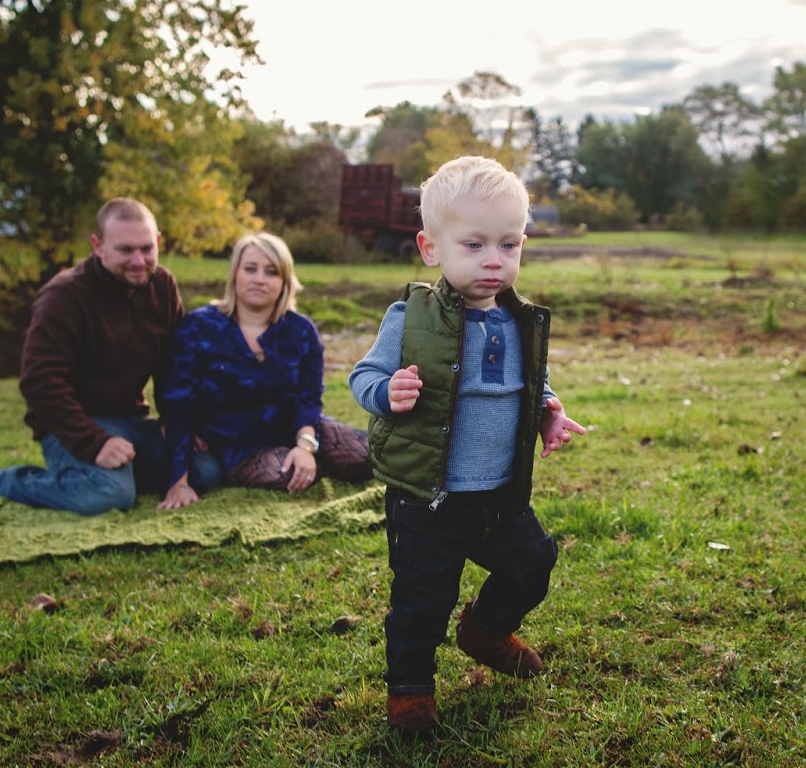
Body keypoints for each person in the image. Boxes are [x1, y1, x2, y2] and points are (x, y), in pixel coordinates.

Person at [349, 155, 587, 736]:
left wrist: (550, 413)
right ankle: (411, 694)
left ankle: (484, 630)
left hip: (500, 495)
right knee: (420, 602)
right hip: (428, 499)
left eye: (509, 245)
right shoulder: (409, 317)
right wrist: (389, 390)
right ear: (432, 248)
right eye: (475, 244)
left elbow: (533, 384)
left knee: (534, 564)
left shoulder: (521, 321)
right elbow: (362, 376)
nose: (493, 260)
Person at [0, 197, 184, 516]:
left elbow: (173, 367)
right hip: (72, 423)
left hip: (133, 420)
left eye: (147, 248)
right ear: (98, 245)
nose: (138, 260)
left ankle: (116, 476)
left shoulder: (163, 286)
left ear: (158, 241)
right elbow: (39, 383)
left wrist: (176, 424)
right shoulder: (64, 296)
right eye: (125, 250)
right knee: (109, 495)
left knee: (205, 470)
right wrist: (95, 443)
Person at [157, 233, 370, 509]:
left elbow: (308, 400)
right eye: (250, 269)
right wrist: (178, 482)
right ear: (235, 274)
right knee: (289, 473)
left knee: (364, 455)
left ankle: (312, 457)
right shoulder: (198, 328)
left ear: (284, 281)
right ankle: (310, 463)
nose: (259, 279)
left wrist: (304, 446)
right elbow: (179, 406)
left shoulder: (301, 330)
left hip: (292, 427)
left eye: (271, 272)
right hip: (235, 444)